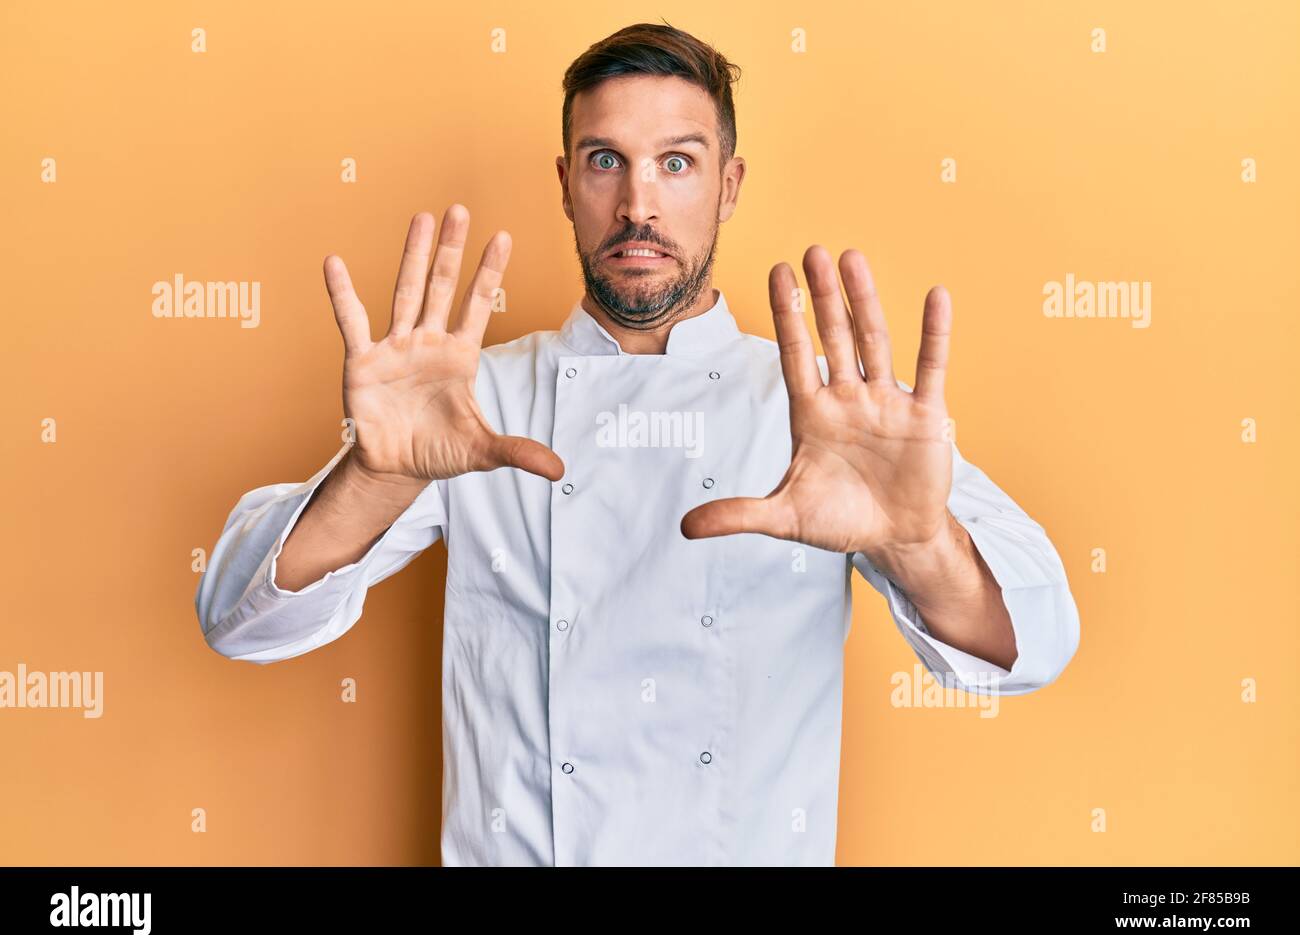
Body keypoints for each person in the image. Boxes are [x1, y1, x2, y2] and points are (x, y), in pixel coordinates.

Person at [195, 22, 1079, 866]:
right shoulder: (472, 403)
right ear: (566, 181)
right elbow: (239, 619)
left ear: (728, 185)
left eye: (678, 163)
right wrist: (372, 477)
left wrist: (919, 545)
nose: (638, 204)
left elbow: (1035, 646)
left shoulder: (827, 413)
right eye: (605, 161)